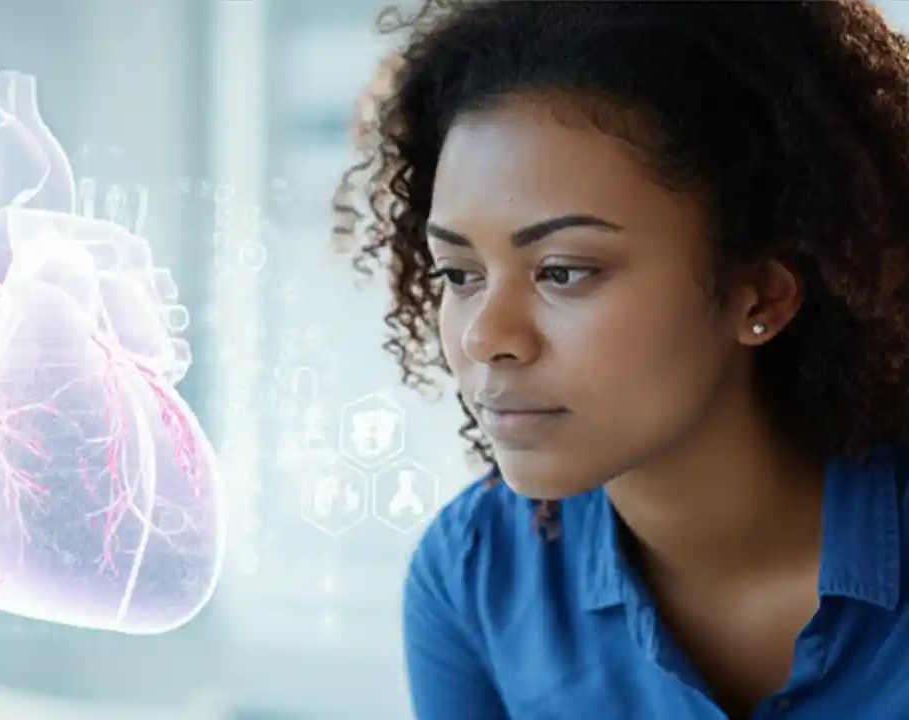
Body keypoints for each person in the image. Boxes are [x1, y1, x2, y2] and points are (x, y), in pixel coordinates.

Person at [332, 2, 909, 718]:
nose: (486, 338)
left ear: (760, 292)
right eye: (459, 274)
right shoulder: (473, 578)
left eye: (564, 271)